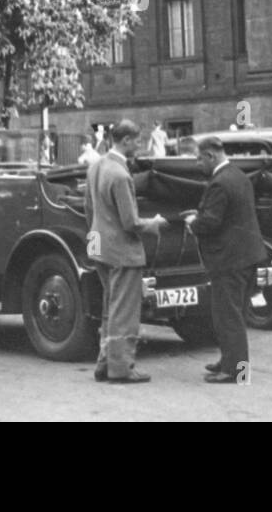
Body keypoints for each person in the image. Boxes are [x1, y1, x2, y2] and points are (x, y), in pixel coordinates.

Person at [84, 119, 168, 383]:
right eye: (138, 140)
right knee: (124, 312)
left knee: (110, 307)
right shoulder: (120, 175)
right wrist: (153, 224)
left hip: (99, 247)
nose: (140, 145)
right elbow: (130, 222)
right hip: (122, 251)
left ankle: (104, 362)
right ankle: (121, 368)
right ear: (127, 140)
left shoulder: (96, 167)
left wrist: (97, 239)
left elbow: (88, 209)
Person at [182, 136, 266, 384]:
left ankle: (236, 371)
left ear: (211, 156)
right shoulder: (239, 176)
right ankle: (229, 360)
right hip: (246, 255)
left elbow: (211, 222)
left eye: (199, 158)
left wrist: (193, 223)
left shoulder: (218, 183)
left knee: (228, 317)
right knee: (232, 313)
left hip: (229, 260)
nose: (198, 164)